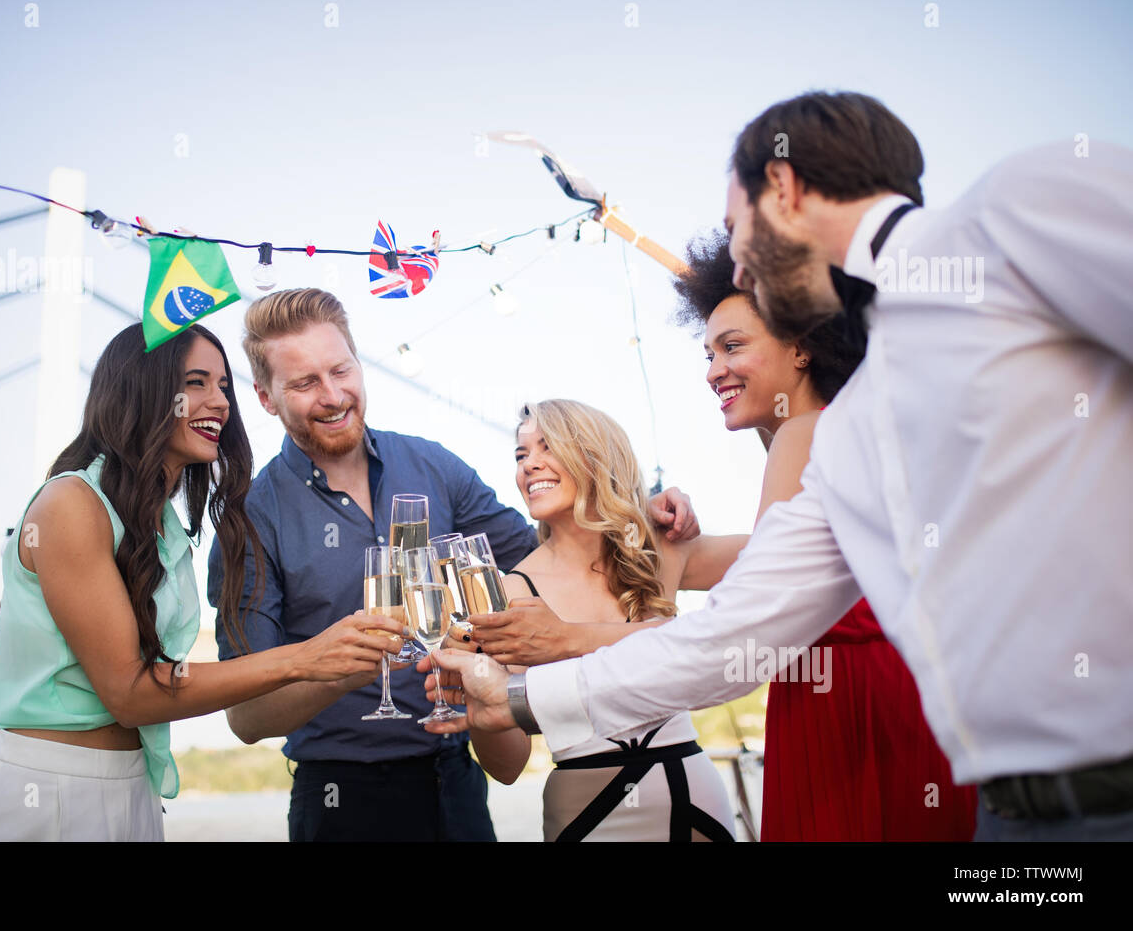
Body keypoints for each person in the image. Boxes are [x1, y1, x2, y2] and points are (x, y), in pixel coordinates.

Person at [428, 91, 1133, 841]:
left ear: (786, 188)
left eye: (735, 229)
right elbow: (735, 640)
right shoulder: (851, 431)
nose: (733, 260)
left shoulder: (1015, 211)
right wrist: (517, 700)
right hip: (1010, 825)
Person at [206, 288, 700, 842]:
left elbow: (556, 557)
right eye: (304, 383)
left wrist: (633, 511)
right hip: (343, 801)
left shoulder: (433, 466)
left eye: (341, 371)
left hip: (458, 785)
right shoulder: (248, 519)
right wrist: (349, 666)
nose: (332, 395)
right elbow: (247, 719)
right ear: (267, 398)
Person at [0, 323, 404, 842]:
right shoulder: (71, 504)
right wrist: (306, 657)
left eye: (224, 385)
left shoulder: (163, 526)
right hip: (43, 800)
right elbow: (131, 693)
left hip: (130, 790)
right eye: (196, 382)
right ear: (140, 390)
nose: (219, 402)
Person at [676, 229, 977, 840]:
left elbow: (747, 608)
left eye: (731, 346)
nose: (714, 371)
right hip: (900, 705)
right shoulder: (844, 434)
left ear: (802, 346)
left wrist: (568, 648)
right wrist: (669, 530)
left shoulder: (802, 435)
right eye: (707, 354)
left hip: (848, 712)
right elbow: (736, 558)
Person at [446, 399, 748, 841]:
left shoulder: (662, 546)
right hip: (586, 814)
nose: (529, 465)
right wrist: (478, 699)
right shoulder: (508, 594)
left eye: (547, 447)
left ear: (595, 455)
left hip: (694, 797)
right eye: (521, 454)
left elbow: (792, 558)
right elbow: (508, 768)